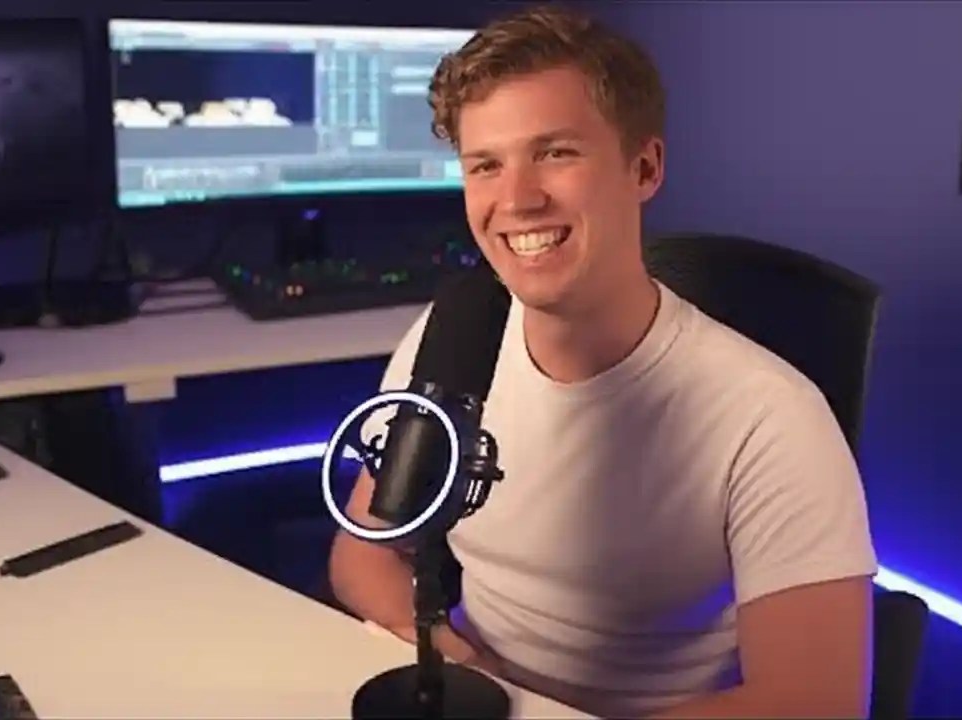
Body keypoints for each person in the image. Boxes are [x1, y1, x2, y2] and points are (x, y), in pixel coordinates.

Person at [328, 4, 878, 718]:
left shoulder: (769, 417)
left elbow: (818, 705)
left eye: (555, 152)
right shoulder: (454, 335)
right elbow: (364, 551)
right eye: (486, 165)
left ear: (644, 167)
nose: (517, 199)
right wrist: (469, 666)